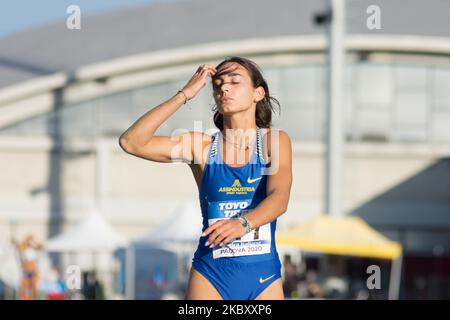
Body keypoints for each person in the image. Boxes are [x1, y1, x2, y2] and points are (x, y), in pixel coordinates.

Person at [119, 56, 292, 300]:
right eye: (218, 83)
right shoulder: (200, 146)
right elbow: (131, 142)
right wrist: (185, 95)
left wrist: (241, 223)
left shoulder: (274, 141)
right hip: (211, 274)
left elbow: (279, 199)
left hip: (262, 277)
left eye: (234, 81)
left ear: (258, 93)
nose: (224, 87)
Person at [15, 235, 42, 300]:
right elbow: (18, 246)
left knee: (33, 286)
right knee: (25, 286)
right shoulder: (23, 247)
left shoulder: (35, 248)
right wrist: (26, 241)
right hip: (26, 269)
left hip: (33, 269)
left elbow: (40, 246)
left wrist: (34, 242)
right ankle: (25, 297)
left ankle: (32, 297)